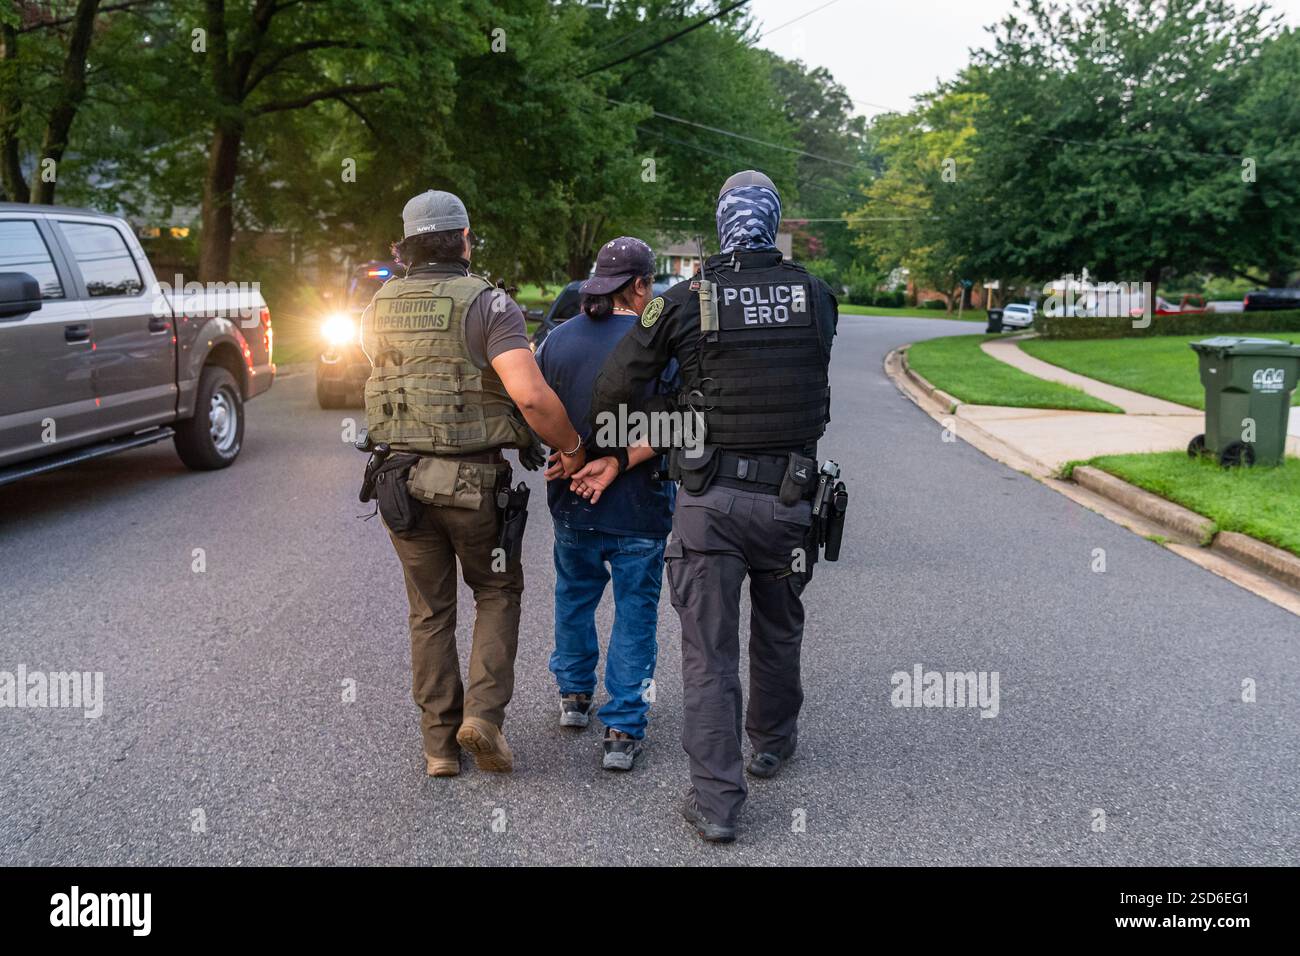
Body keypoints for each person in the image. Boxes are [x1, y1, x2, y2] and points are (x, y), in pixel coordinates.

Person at [576, 171, 838, 842]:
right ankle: (771, 743)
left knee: (708, 652)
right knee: (779, 626)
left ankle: (718, 805)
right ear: (774, 220)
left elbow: (612, 391)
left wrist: (677, 421)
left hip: (708, 501)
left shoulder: (686, 300)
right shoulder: (814, 295)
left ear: (721, 226)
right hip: (792, 500)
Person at [360, 189, 586, 778]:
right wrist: (573, 449)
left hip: (398, 484)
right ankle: (482, 719)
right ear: (464, 240)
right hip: (473, 485)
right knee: (495, 590)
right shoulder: (489, 305)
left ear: (406, 247)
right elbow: (531, 396)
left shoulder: (377, 306)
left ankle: (438, 748)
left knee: (430, 613)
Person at [534, 237, 675, 771]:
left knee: (574, 596)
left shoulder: (557, 341)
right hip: (640, 503)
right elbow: (677, 424)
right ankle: (622, 726)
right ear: (639, 286)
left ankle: (573, 697)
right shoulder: (659, 343)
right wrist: (618, 459)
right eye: (650, 286)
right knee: (635, 613)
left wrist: (567, 452)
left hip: (572, 501)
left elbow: (532, 407)